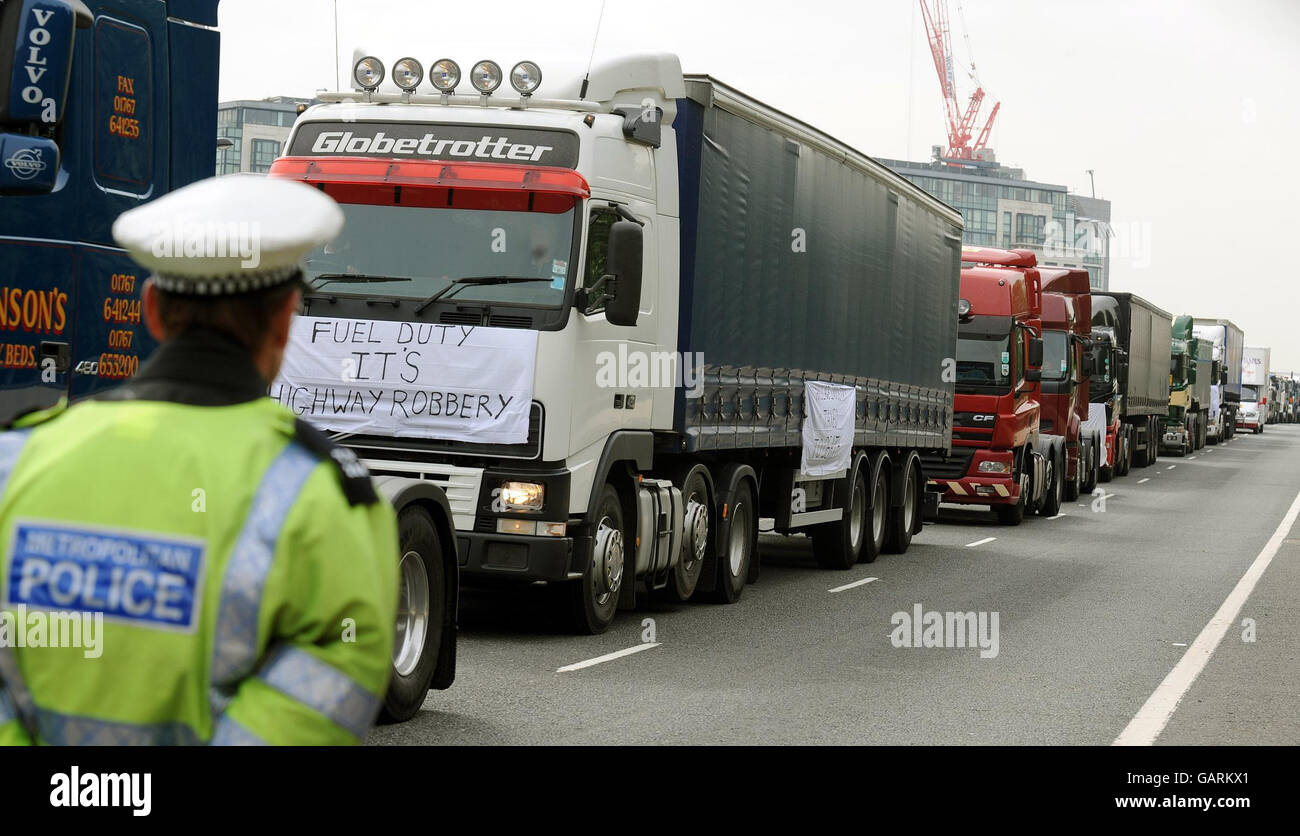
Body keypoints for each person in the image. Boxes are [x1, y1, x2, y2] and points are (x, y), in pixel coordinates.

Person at [0, 175, 398, 745]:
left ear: (153, 311)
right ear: (286, 318)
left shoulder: (18, 459)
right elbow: (325, 691)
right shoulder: (324, 496)